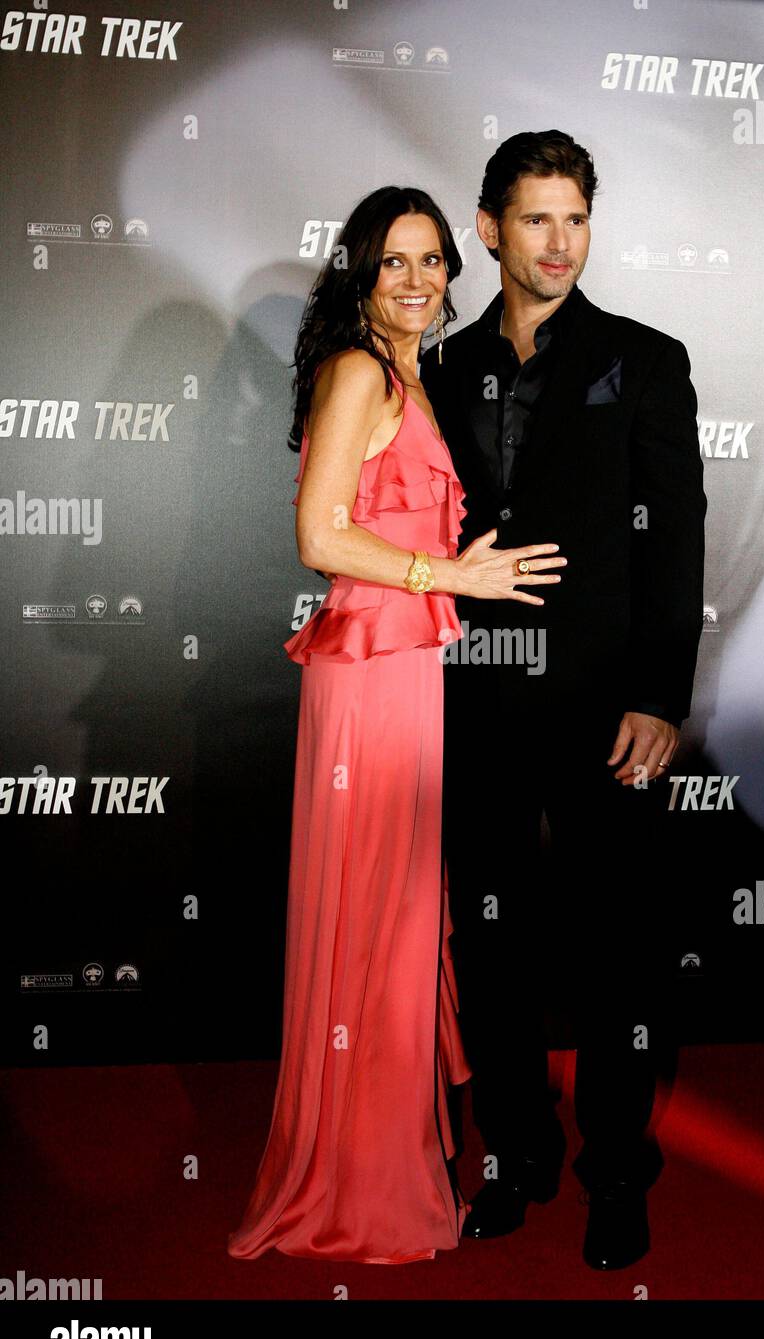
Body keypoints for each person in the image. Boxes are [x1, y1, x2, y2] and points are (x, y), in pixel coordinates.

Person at [226, 186, 566, 1264]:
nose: (420, 281)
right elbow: (320, 536)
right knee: (378, 932)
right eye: (395, 264)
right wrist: (449, 571)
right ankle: (361, 1182)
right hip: (369, 680)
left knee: (404, 931)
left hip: (412, 672)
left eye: (431, 262)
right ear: (361, 277)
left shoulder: (413, 375)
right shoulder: (357, 372)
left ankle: (382, 1155)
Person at [419, 131, 707, 1271]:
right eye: (535, 220)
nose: (559, 243)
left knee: (617, 955)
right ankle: (515, 1155)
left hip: (604, 703)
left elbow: (674, 539)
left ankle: (616, 1174)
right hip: (474, 699)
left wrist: (660, 695)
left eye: (575, 219)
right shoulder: (437, 371)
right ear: (488, 229)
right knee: (489, 947)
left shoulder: (645, 359)